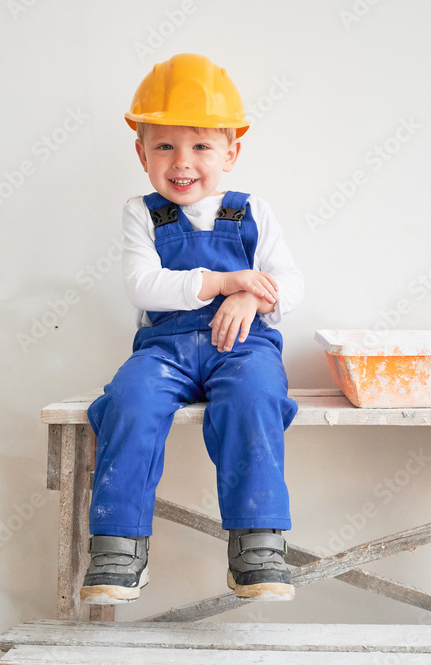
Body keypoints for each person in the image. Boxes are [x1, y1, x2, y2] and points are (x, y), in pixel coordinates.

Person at [80, 53, 303, 605]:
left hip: (243, 349)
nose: (183, 162)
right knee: (128, 400)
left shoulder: (252, 211)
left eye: (201, 146)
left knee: (255, 398)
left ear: (232, 152)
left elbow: (291, 283)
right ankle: (117, 544)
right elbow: (143, 285)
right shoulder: (143, 213)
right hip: (166, 351)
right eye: (165, 146)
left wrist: (252, 294)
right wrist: (225, 281)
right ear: (141, 153)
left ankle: (258, 542)